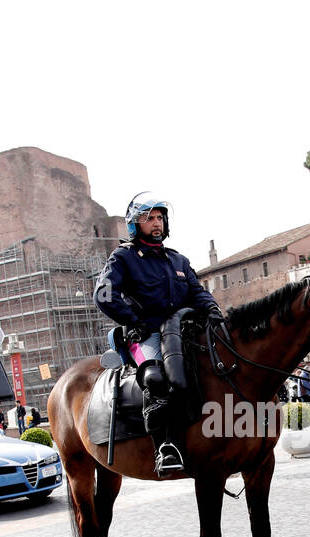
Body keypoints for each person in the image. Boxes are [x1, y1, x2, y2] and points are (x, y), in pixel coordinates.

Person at [95, 192, 221, 474]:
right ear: (134, 225)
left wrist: (213, 310)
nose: (156, 223)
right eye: (148, 218)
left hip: (182, 331)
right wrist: (133, 320)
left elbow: (197, 293)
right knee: (155, 377)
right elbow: (104, 295)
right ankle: (165, 448)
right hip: (146, 335)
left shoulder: (178, 260)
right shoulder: (123, 257)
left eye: (159, 217)